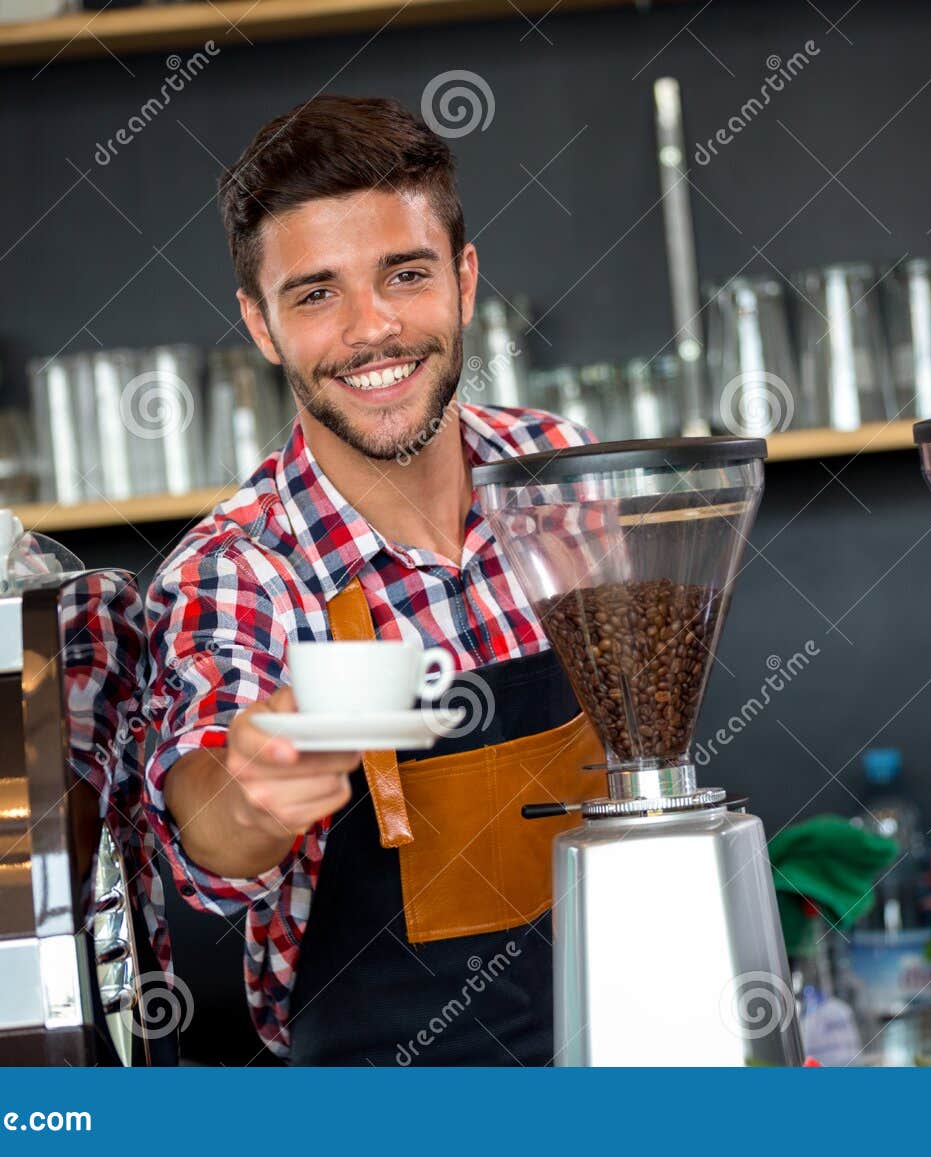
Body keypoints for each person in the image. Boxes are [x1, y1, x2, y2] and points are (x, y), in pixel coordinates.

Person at [144, 95, 603, 1065]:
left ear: (464, 280)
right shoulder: (239, 570)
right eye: (316, 294)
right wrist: (250, 794)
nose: (373, 328)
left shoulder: (557, 471)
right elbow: (210, 824)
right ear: (261, 325)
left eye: (406, 274)